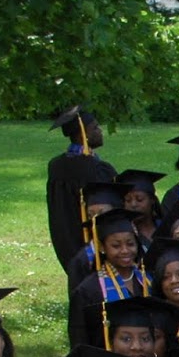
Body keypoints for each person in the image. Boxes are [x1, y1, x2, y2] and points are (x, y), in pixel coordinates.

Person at [46, 106, 115, 268]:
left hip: (66, 241)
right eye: (95, 128)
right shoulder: (95, 169)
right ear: (82, 133)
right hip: (94, 242)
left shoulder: (56, 166)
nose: (100, 131)